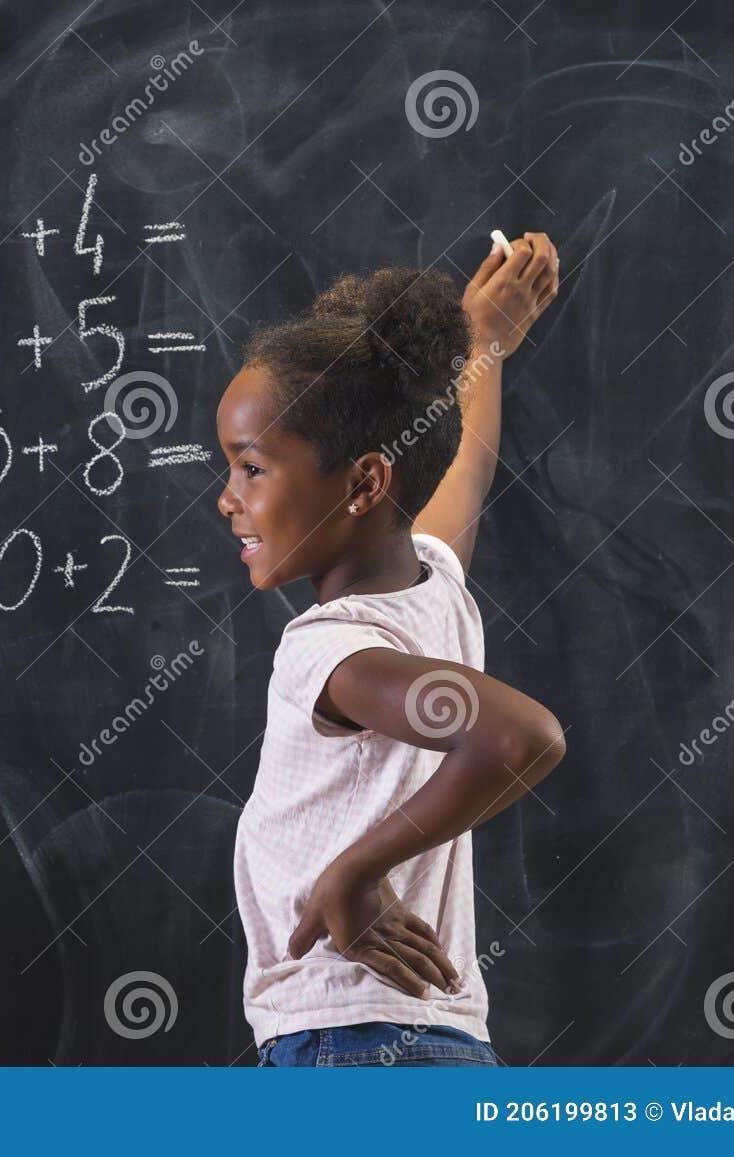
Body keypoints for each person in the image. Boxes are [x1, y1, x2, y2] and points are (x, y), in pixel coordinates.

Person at [217, 234, 566, 1066]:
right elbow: (456, 484)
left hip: (352, 1041)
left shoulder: (329, 651)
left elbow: (520, 736)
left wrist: (353, 875)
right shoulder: (433, 588)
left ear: (367, 483)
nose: (228, 498)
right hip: (428, 1045)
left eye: (252, 467)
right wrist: (482, 348)